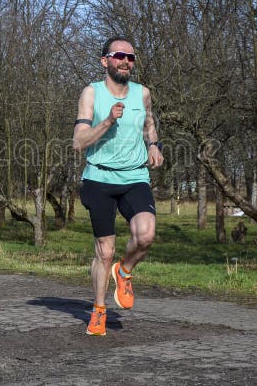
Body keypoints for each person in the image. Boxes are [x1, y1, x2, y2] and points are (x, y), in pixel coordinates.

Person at [72, 36, 164, 336]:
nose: (125, 61)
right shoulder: (92, 93)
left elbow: (149, 124)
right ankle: (98, 311)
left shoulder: (143, 94)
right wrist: (108, 121)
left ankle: (124, 273)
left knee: (146, 235)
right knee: (105, 250)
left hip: (135, 176)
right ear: (105, 61)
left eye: (131, 57)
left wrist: (153, 145)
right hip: (99, 178)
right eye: (119, 55)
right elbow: (78, 142)